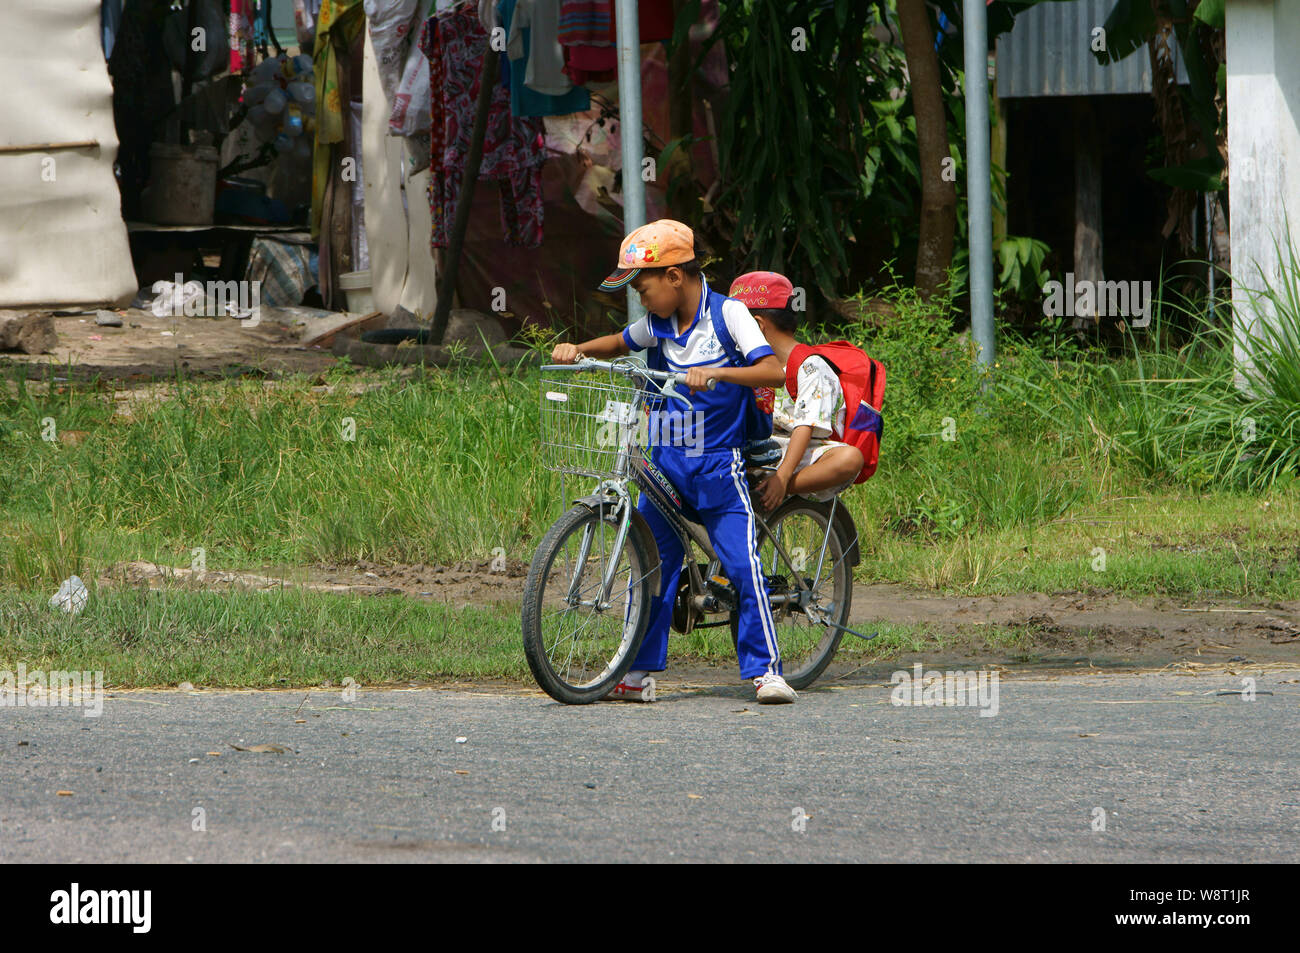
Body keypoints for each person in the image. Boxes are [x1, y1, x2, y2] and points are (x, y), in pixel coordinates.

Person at [549, 221, 798, 704]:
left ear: (675, 278)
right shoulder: (660, 323)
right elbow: (621, 343)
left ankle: (765, 671)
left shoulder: (730, 316)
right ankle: (636, 673)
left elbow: (775, 369)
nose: (641, 298)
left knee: (741, 563)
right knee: (652, 567)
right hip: (664, 460)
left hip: (716, 464)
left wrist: (720, 373)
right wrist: (577, 349)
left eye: (643, 287)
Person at [729, 271, 865, 513]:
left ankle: (776, 487)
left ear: (757, 326)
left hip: (798, 453)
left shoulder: (810, 366)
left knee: (850, 459)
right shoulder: (747, 364)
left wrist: (782, 477)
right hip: (755, 447)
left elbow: (806, 425)